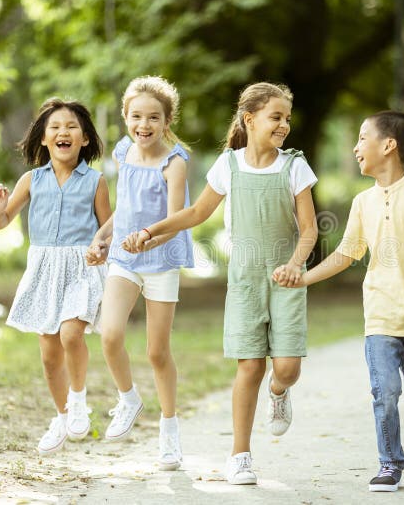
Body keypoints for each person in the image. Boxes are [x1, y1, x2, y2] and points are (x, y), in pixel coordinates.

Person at [124, 82, 318, 485]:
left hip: (287, 280)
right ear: (250, 120)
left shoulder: (294, 165)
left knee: (287, 367)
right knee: (249, 368)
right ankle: (240, 455)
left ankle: (279, 394)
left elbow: (310, 230)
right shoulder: (227, 166)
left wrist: (295, 265)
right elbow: (195, 213)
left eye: (286, 118)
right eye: (275, 117)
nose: (284, 125)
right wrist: (151, 230)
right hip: (245, 283)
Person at [273, 111, 404, 492]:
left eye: (362, 138)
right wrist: (304, 278)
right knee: (385, 392)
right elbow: (346, 253)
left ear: (388, 146)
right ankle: (390, 461)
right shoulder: (363, 203)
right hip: (379, 316)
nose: (356, 147)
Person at [0, 98, 111, 456]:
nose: (63, 132)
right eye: (55, 127)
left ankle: (79, 399)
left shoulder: (96, 181)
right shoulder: (31, 179)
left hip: (81, 267)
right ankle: (61, 415)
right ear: (43, 138)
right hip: (43, 268)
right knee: (49, 355)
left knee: (72, 334)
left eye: (71, 126)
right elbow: (2, 221)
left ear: (84, 139)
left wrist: (101, 248)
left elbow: (108, 229)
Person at [85, 76, 193, 471]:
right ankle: (128, 399)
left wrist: (146, 241)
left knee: (156, 352)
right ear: (125, 118)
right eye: (136, 117)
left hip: (161, 260)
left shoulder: (175, 161)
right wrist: (101, 237)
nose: (143, 125)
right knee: (109, 334)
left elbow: (177, 219)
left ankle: (169, 430)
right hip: (125, 259)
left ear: (166, 121)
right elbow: (124, 209)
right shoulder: (123, 153)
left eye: (153, 118)